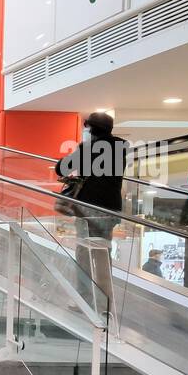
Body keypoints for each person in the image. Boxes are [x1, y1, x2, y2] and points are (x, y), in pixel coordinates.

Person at [54, 111, 130, 311]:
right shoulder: (120, 148)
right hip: (111, 209)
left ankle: (86, 300)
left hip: (88, 208)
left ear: (90, 128)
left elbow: (60, 168)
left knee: (84, 253)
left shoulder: (88, 148)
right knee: (103, 252)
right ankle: (105, 303)